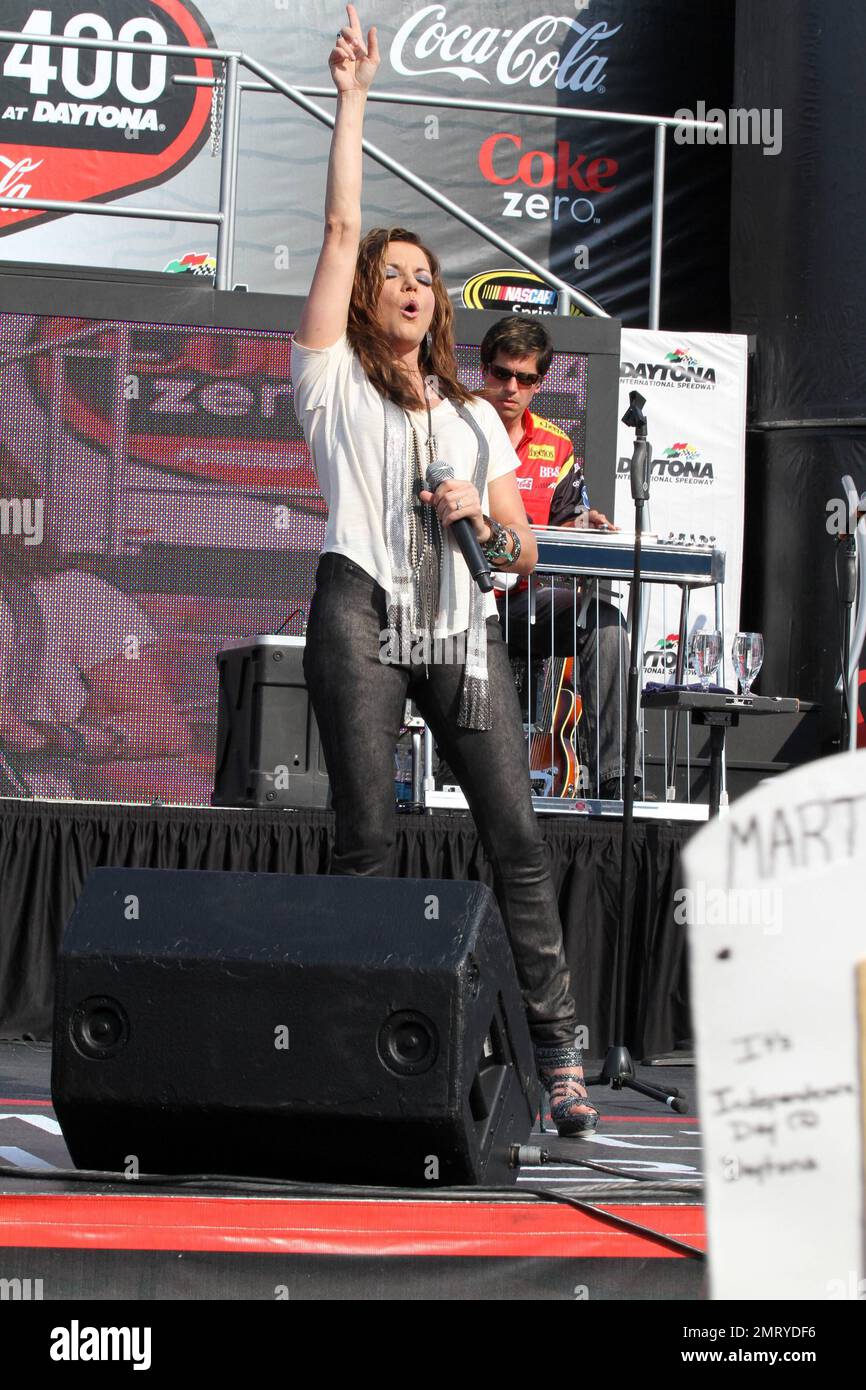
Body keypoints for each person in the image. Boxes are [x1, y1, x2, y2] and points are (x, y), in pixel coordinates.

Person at [289, 5, 598, 1136]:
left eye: (427, 276)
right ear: (369, 296)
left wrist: (488, 512)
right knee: (364, 839)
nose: (414, 287)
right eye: (396, 275)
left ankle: (559, 1058)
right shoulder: (333, 382)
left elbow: (520, 550)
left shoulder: (476, 418)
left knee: (513, 835)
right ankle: (359, 1056)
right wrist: (353, 101)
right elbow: (334, 228)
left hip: (459, 632)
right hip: (360, 609)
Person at [479, 316, 635, 800]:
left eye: (525, 379)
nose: (511, 388)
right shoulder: (451, 425)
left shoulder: (556, 444)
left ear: (539, 383)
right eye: (501, 374)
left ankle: (614, 777)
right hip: (455, 603)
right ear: (484, 370)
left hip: (524, 604)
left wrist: (585, 525)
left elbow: (568, 520)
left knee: (605, 621)